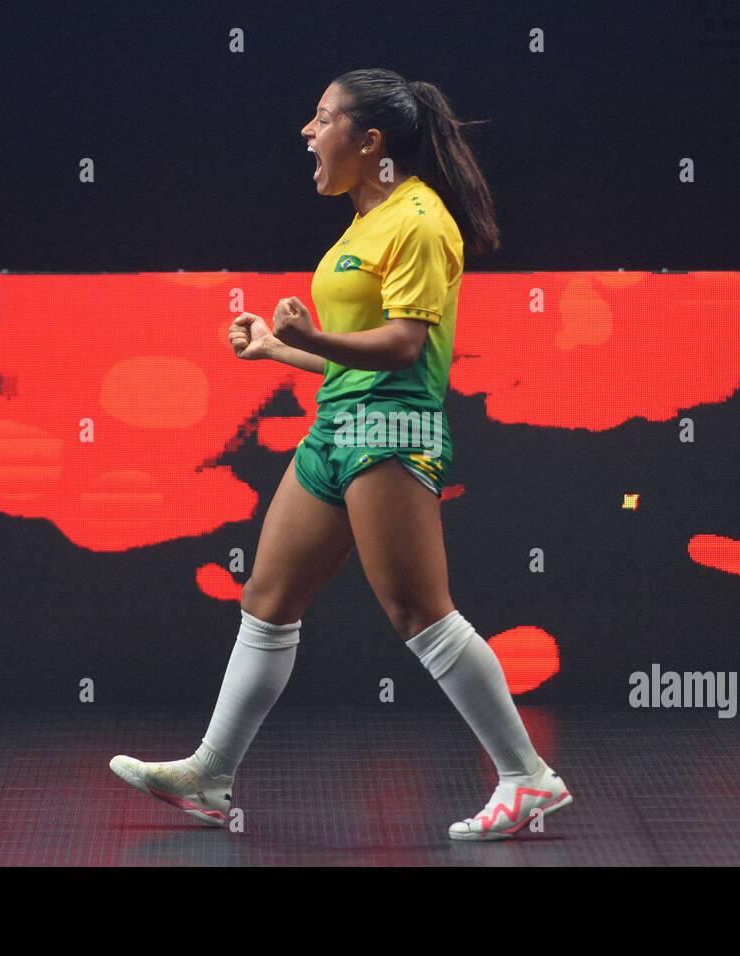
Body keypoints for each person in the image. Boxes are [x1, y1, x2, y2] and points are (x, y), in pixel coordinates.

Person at [110, 68, 572, 841]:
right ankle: (210, 777)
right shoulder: (363, 222)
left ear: (371, 141)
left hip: (391, 426)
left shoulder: (420, 221)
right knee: (267, 595)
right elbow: (351, 357)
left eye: (322, 119)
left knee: (419, 612)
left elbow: (403, 347)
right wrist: (275, 352)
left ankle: (528, 778)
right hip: (336, 425)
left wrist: (310, 337)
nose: (306, 131)